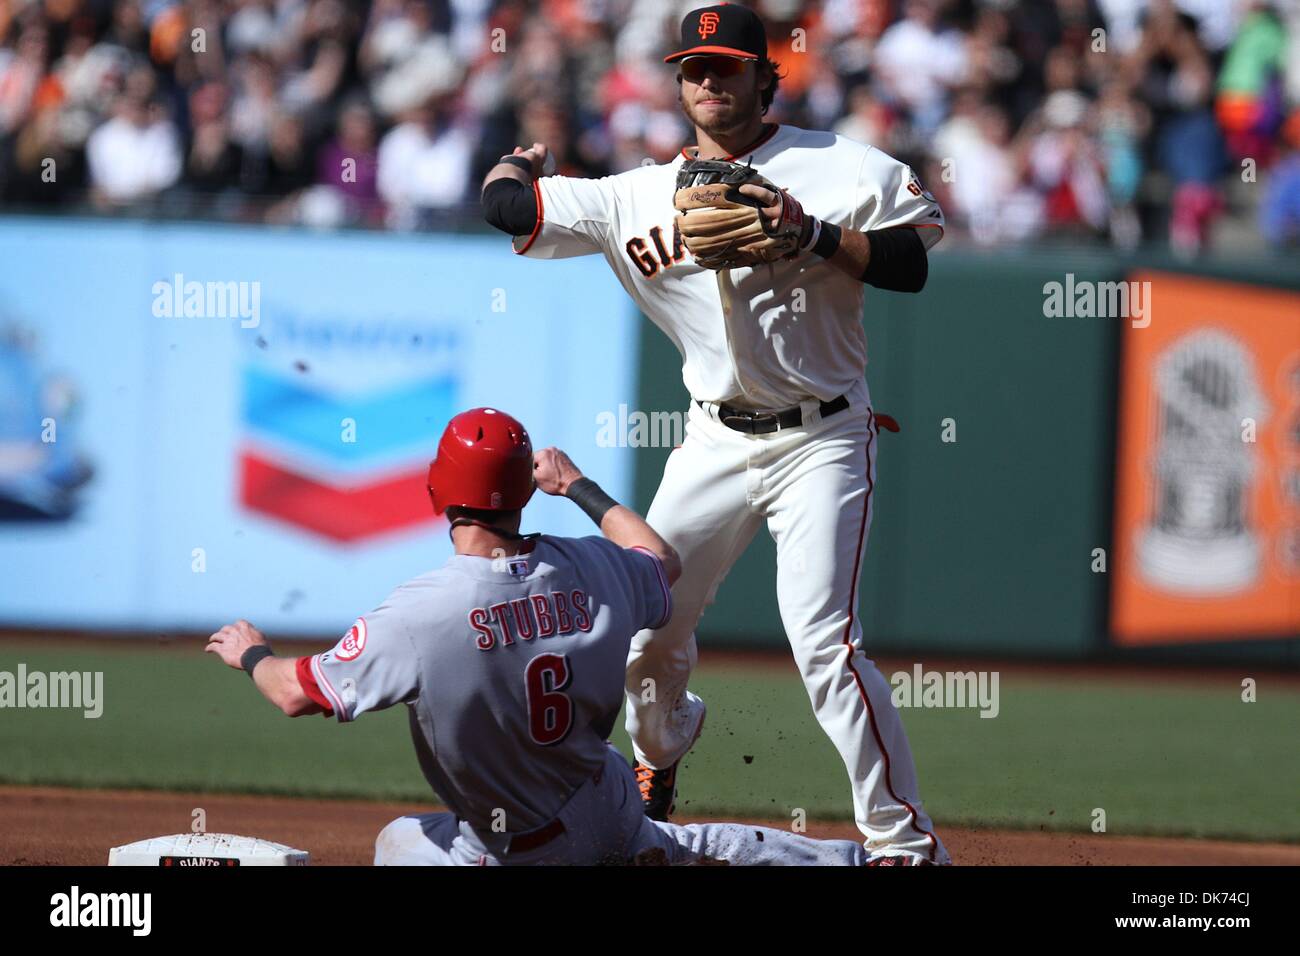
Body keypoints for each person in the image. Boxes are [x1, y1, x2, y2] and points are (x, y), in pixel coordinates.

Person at [480, 4, 949, 864]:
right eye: (694, 69)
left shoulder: (839, 166)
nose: (708, 83)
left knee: (824, 645)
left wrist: (811, 233)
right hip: (713, 440)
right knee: (649, 631)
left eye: (727, 67)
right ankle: (659, 759)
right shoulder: (634, 195)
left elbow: (911, 264)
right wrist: (519, 158)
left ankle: (904, 845)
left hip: (824, 437)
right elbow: (509, 207)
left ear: (764, 77)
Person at [206, 407, 873, 865]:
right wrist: (578, 485)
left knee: (395, 843)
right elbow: (661, 560)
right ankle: (851, 858)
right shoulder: (591, 563)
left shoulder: (422, 613)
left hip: (525, 846)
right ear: (524, 490)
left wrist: (252, 652)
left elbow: (297, 694)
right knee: (678, 846)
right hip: (605, 796)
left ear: (439, 490)